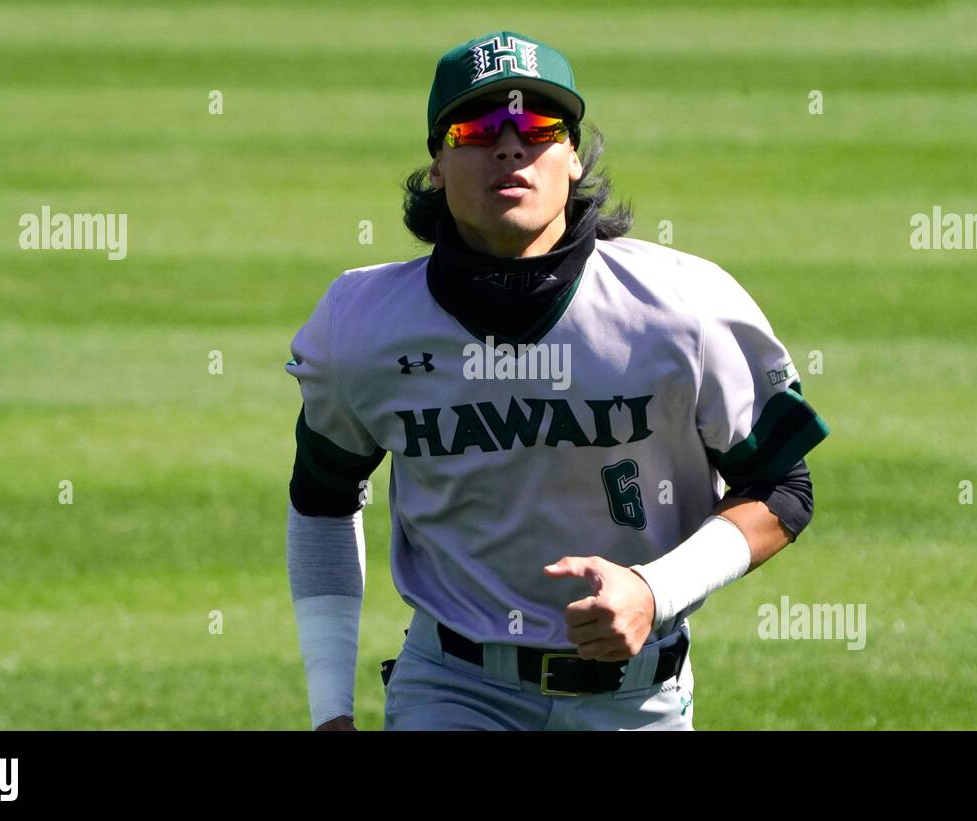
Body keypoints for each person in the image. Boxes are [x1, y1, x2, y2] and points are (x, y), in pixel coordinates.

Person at [285, 30, 829, 731]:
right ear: (438, 164)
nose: (510, 146)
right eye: (477, 128)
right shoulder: (361, 325)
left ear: (572, 157)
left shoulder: (682, 308)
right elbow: (324, 499)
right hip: (452, 690)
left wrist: (652, 590)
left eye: (538, 126)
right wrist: (330, 708)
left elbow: (784, 488)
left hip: (639, 698)